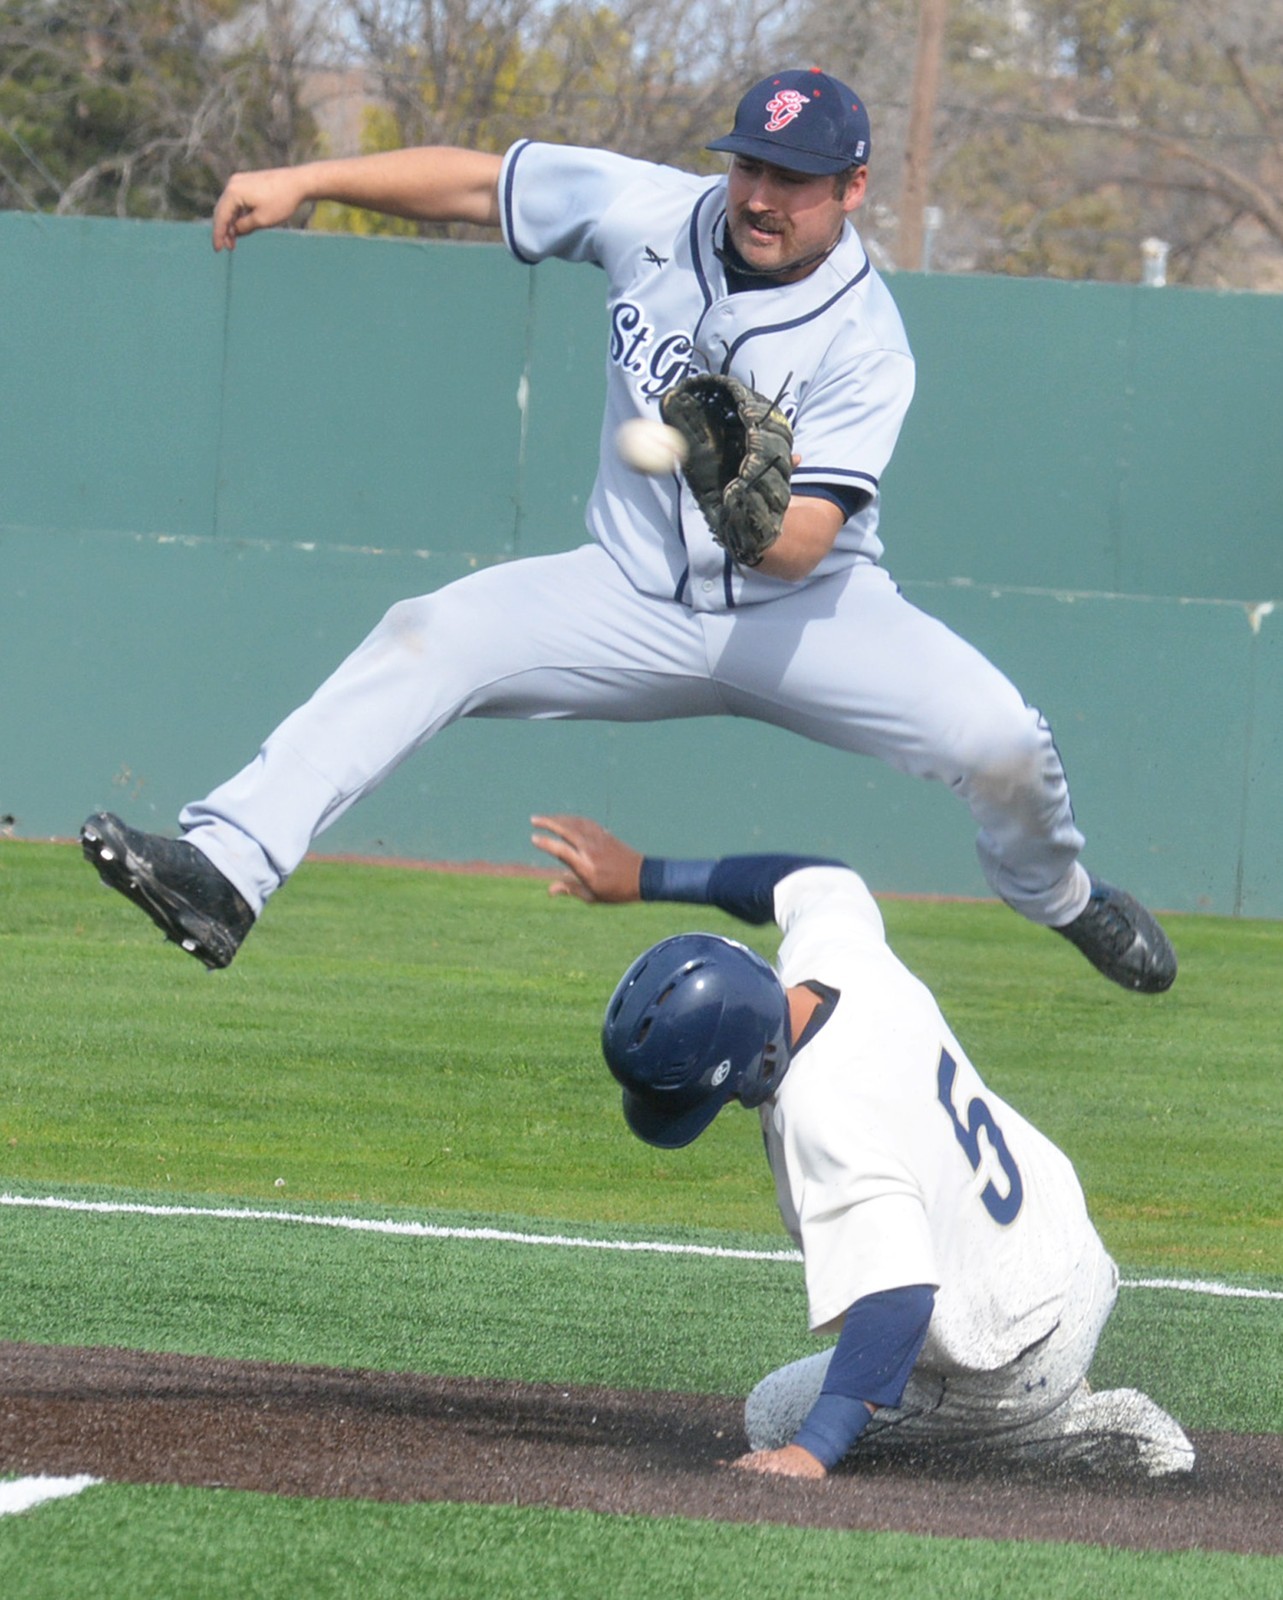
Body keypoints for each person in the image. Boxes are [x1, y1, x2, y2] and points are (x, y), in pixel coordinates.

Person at [80, 68, 1175, 994]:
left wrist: (723, 472)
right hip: (625, 596)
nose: (759, 192)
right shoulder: (651, 210)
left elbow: (797, 543)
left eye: (791, 178)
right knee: (428, 632)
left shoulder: (866, 343)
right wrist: (306, 179)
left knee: (1001, 740)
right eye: (747, 163)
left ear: (851, 187)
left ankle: (1062, 898)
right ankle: (226, 866)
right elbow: (475, 180)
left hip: (806, 617)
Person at [529, 812, 1195, 1479]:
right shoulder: (837, 960)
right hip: (1071, 1253)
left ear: (748, 1064)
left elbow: (897, 1300)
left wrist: (809, 1452)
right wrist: (645, 875)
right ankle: (1050, 1394)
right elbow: (814, 880)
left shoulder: (822, 1116)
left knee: (775, 1415)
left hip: (1004, 1356)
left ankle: (1077, 1427)